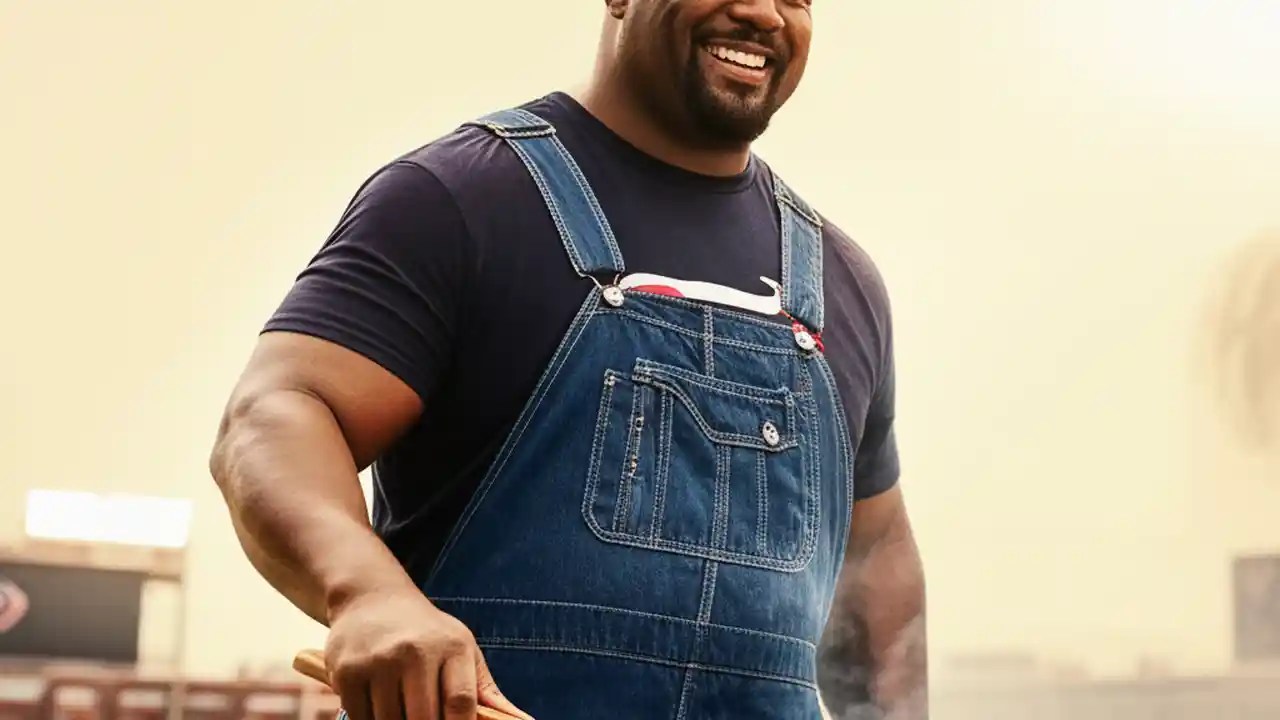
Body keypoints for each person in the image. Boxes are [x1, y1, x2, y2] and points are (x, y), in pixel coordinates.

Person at [209, 1, 927, 718]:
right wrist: (367, 594)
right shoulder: (463, 201)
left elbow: (877, 559)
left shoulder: (843, 286)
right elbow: (275, 414)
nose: (759, 13)